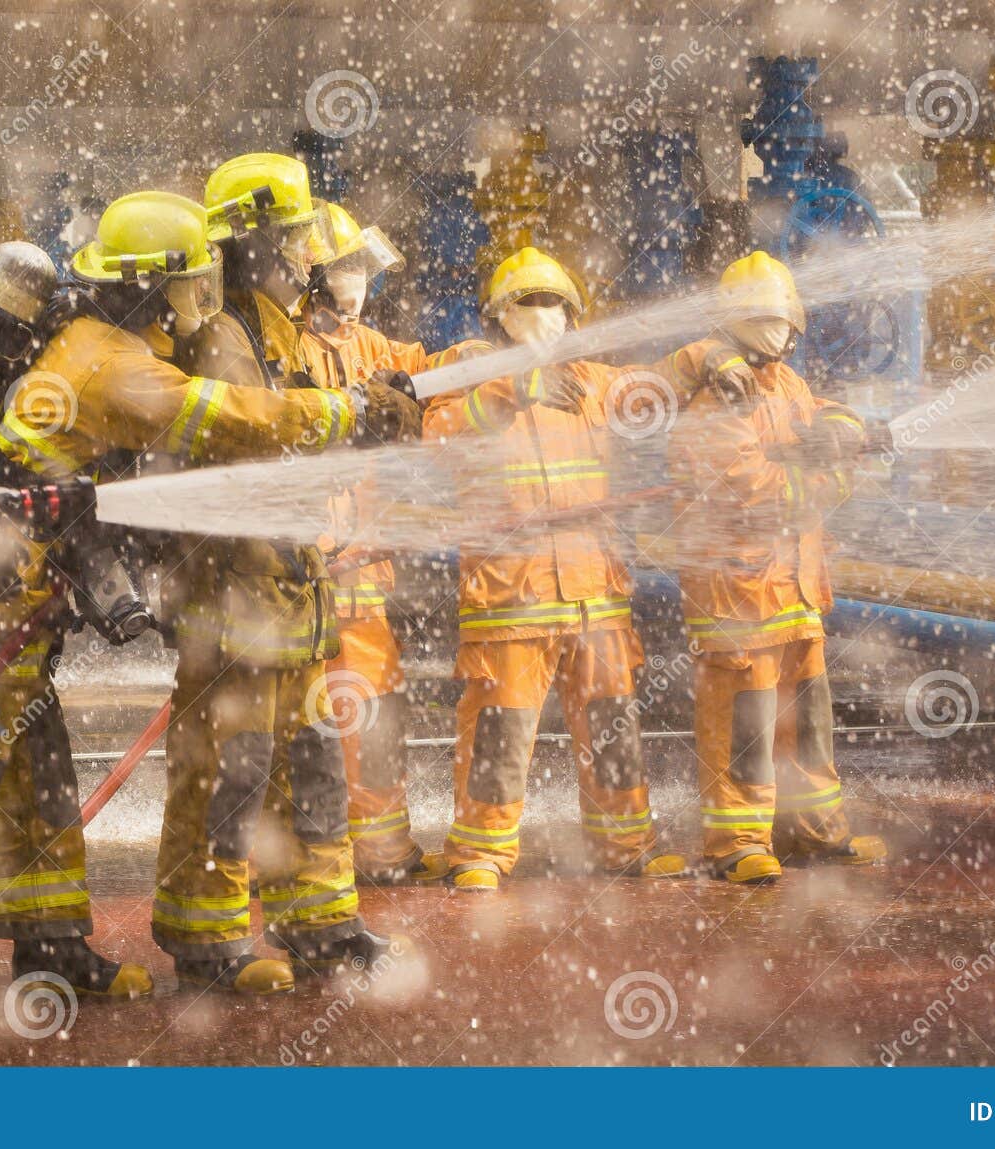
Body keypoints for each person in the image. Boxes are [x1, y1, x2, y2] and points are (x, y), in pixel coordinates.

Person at [145, 153, 422, 989]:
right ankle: (209, 940)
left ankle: (323, 922)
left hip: (288, 599)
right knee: (230, 776)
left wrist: (374, 415)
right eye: (295, 234)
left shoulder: (281, 333)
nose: (308, 251)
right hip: (233, 605)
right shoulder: (223, 335)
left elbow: (309, 433)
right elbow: (257, 427)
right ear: (255, 241)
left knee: (310, 771)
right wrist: (347, 412)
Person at [0, 240, 155, 1019]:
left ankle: (52, 947)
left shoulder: (17, 383)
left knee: (43, 790)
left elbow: (47, 495)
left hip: (18, 639)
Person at [422, 246, 687, 891]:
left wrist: (717, 356)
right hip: (512, 596)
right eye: (529, 303)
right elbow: (439, 441)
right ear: (501, 319)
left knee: (612, 723)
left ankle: (626, 844)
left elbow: (671, 386)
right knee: (501, 730)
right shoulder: (474, 381)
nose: (546, 316)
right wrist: (515, 391)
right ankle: (480, 853)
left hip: (596, 595)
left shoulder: (595, 384)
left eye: (557, 305)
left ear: (573, 318)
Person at [659, 250, 886, 884]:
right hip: (738, 596)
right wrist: (839, 476)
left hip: (794, 592)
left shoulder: (786, 383)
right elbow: (753, 491)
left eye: (789, 318)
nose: (785, 331)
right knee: (746, 727)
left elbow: (822, 412)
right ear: (736, 321)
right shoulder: (718, 397)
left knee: (807, 720)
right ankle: (736, 842)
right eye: (770, 318)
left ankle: (812, 830)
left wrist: (847, 428)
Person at [297, 203, 467, 883]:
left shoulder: (374, 350)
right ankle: (298, 857)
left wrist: (485, 355)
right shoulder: (285, 349)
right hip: (301, 583)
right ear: (309, 275)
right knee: (302, 727)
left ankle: (383, 852)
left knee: (375, 717)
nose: (355, 283)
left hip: (361, 586)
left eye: (362, 269)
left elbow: (435, 371)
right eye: (341, 269)